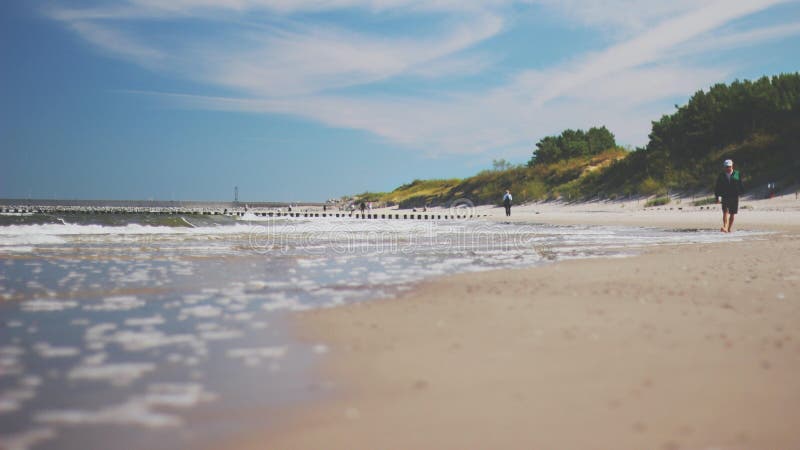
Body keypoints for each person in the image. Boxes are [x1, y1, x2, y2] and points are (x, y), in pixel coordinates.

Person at [714, 159, 744, 233]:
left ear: (732, 166)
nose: (728, 168)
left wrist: (741, 192)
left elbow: (741, 184)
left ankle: (729, 228)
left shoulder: (737, 173)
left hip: (734, 196)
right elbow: (717, 187)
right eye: (727, 167)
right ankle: (725, 227)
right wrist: (717, 197)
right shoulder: (721, 175)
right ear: (724, 167)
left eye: (729, 166)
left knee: (732, 213)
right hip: (725, 196)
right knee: (725, 212)